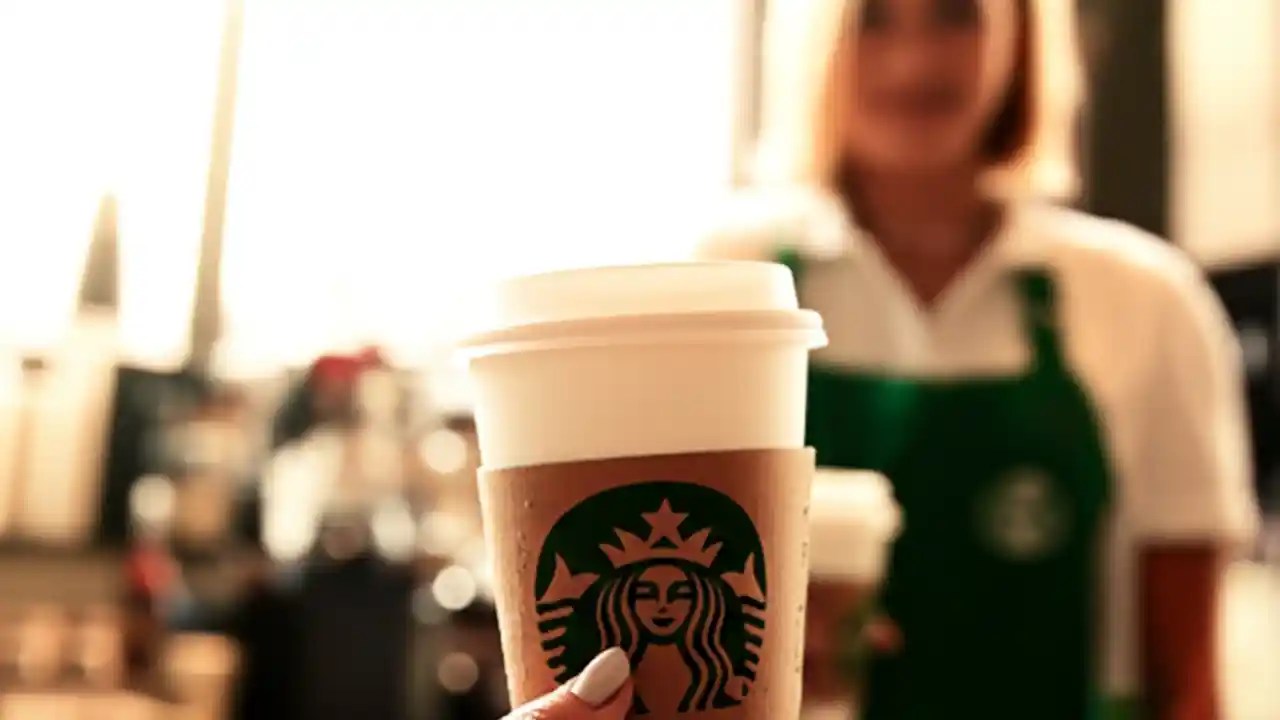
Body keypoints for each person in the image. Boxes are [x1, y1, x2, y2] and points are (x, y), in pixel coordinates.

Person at [510, 0, 1259, 717]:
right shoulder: (727, 278)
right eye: (873, 18)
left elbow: (1188, 687)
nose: (913, 60)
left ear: (1021, 39)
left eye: (956, 14)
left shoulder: (1144, 300)